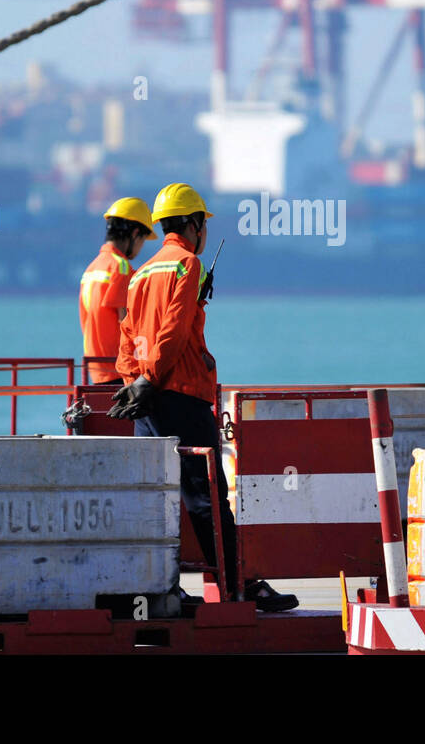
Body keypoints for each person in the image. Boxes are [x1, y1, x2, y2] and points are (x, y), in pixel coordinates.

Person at [110, 183, 297, 612]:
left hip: (147, 404)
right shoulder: (186, 264)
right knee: (208, 498)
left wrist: (133, 380)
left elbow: (128, 334)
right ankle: (241, 587)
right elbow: (172, 332)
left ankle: (164, 588)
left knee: (156, 499)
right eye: (203, 225)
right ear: (194, 225)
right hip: (183, 397)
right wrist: (152, 377)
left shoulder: (141, 272)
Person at [79, 198, 156, 384]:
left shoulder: (92, 268)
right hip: (119, 371)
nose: (141, 246)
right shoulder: (120, 267)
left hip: (96, 370)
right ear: (135, 233)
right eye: (143, 240)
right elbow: (127, 322)